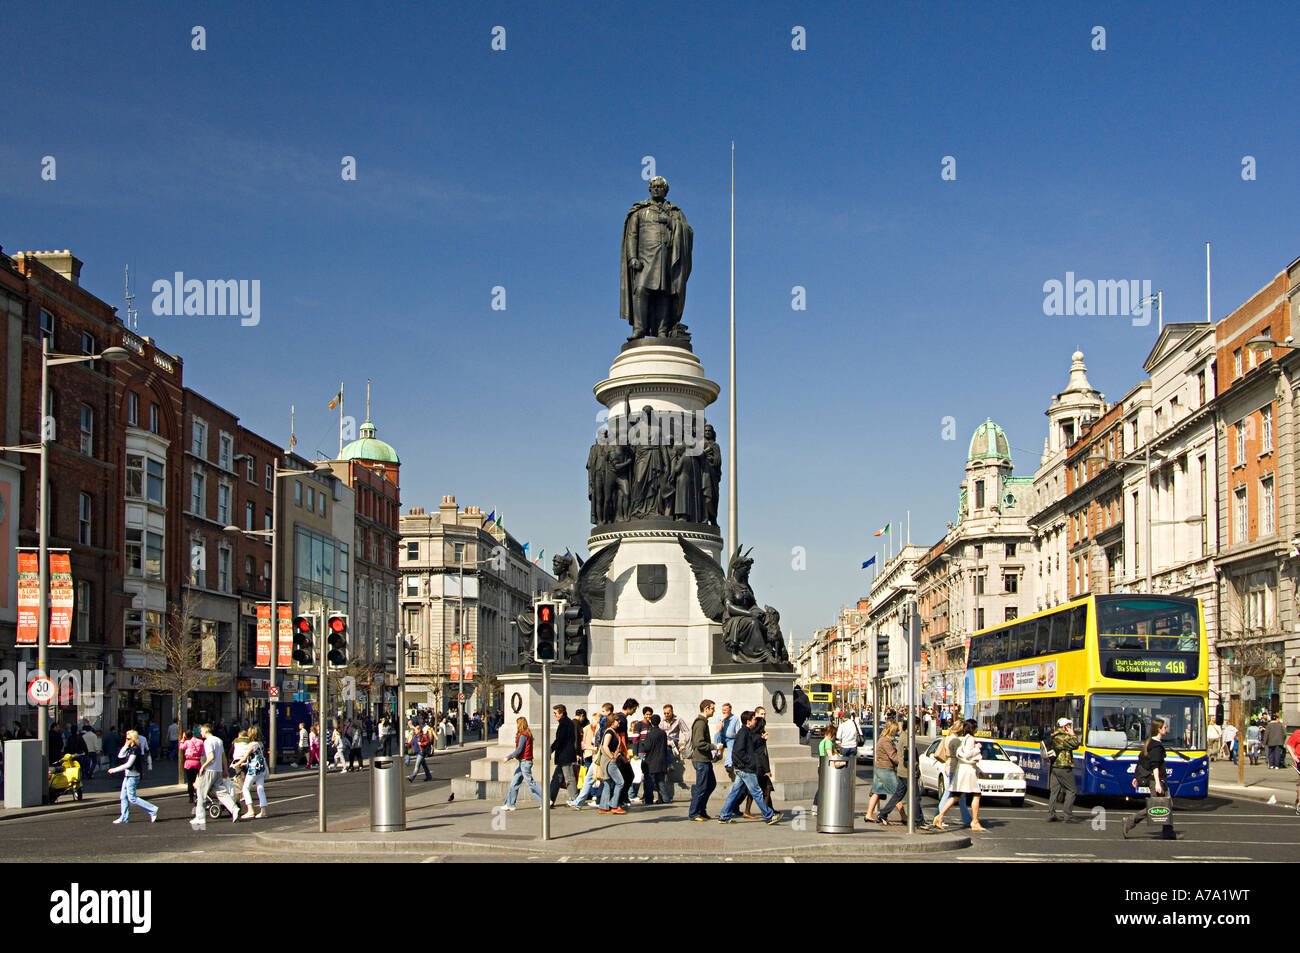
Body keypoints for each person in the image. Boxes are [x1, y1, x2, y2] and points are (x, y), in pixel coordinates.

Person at [717, 711, 781, 824]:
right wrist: (750, 762)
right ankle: (769, 815)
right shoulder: (743, 733)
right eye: (753, 719)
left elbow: (750, 747)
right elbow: (739, 751)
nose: (755, 721)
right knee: (757, 792)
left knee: (735, 792)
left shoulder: (746, 732)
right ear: (748, 722)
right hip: (746, 768)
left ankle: (724, 815)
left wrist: (762, 740)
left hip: (743, 768)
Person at [1123, 717, 1178, 839]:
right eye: (1164, 727)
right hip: (1156, 780)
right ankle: (1130, 820)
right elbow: (1155, 765)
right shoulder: (1156, 746)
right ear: (1158, 729)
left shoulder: (1149, 743)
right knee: (1156, 806)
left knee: (1166, 804)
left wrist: (1136, 777)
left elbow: (1141, 761)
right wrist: (1158, 783)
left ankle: (1168, 832)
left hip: (1155, 779)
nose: (1166, 729)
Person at [934, 720, 985, 831]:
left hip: (963, 770)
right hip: (967, 772)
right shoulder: (970, 739)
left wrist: (978, 769)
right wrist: (977, 748)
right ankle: (974, 822)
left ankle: (939, 816)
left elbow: (963, 755)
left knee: (956, 795)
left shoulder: (965, 738)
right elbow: (967, 755)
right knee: (976, 794)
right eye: (976, 727)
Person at [192, 724, 239, 828]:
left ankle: (200, 818)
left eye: (201, 731)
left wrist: (202, 767)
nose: (200, 733)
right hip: (218, 770)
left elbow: (211, 757)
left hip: (209, 770)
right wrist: (225, 770)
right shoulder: (219, 740)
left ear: (205, 730)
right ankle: (234, 808)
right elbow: (223, 757)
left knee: (201, 792)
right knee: (221, 792)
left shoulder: (208, 742)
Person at [108, 729, 159, 824]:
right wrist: (125, 745)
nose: (126, 740)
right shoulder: (130, 748)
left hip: (133, 776)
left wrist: (114, 770)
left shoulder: (135, 750)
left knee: (132, 798)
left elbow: (128, 764)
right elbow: (120, 756)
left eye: (128, 739)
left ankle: (152, 809)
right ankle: (124, 817)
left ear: (133, 739)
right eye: (126, 738)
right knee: (123, 797)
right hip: (127, 776)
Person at [501, 717, 545, 811]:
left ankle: (544, 801)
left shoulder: (523, 735)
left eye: (517, 724)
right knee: (514, 783)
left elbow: (519, 750)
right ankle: (510, 804)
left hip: (525, 762)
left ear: (520, 724)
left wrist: (508, 757)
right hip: (523, 762)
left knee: (530, 783)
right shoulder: (527, 734)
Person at [1046, 717, 1082, 823]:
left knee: (1054, 791)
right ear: (1065, 726)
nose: (1070, 727)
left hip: (1054, 767)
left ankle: (1051, 814)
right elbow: (1076, 744)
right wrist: (1073, 734)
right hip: (1063, 767)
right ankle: (1067, 815)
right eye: (1069, 725)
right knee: (1072, 790)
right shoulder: (1063, 737)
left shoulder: (1054, 735)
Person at [739, 714, 775, 818]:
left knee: (753, 789)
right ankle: (766, 812)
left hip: (751, 765)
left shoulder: (750, 735)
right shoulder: (760, 738)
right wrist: (767, 770)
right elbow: (762, 755)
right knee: (765, 788)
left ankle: (748, 810)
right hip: (759, 766)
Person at [864, 721, 901, 824]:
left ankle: (868, 814)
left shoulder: (882, 739)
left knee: (876, 792)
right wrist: (901, 763)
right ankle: (904, 815)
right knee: (897, 794)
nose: (897, 732)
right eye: (896, 730)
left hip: (880, 768)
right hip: (886, 770)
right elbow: (893, 756)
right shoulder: (886, 741)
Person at [688, 699, 717, 821]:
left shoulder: (703, 722)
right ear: (706, 709)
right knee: (701, 786)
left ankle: (701, 809)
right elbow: (699, 742)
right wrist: (714, 746)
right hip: (701, 759)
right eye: (712, 708)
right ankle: (694, 812)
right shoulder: (700, 723)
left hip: (704, 759)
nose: (714, 710)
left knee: (711, 784)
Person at [234, 726, 269, 819]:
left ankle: (250, 811)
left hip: (254, 770)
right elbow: (255, 756)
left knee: (245, 788)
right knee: (260, 788)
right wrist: (245, 763)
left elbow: (245, 756)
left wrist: (236, 763)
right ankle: (263, 811)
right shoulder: (260, 743)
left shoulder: (252, 745)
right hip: (261, 769)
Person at [596, 714, 628, 814]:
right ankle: (614, 805)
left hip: (611, 760)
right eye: (617, 721)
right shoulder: (609, 732)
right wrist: (612, 757)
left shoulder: (614, 732)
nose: (619, 722)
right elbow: (605, 746)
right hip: (609, 762)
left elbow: (616, 749)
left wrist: (621, 757)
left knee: (607, 783)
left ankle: (603, 807)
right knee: (620, 782)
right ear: (612, 722)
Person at [548, 705, 577, 807]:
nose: (554, 715)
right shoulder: (567, 722)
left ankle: (574, 799)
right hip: (564, 755)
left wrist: (551, 749)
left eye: (556, 713)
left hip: (565, 755)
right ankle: (550, 799)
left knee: (568, 777)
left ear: (561, 713)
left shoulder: (564, 723)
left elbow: (560, 739)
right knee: (556, 777)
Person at [637, 713, 669, 805]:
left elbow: (647, 747)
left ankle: (648, 799)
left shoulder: (650, 734)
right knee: (661, 782)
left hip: (651, 761)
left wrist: (642, 744)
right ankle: (664, 799)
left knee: (649, 782)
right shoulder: (663, 733)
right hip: (662, 760)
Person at [714, 702, 741, 783]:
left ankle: (728, 765)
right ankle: (716, 754)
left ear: (730, 710)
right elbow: (718, 730)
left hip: (731, 738)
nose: (724, 712)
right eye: (723, 710)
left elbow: (737, 732)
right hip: (722, 737)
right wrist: (722, 720)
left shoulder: (735, 718)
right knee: (716, 735)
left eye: (726, 710)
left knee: (732, 747)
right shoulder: (719, 717)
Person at [180, 730, 204, 803]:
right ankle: (198, 795)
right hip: (197, 762)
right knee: (198, 780)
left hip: (189, 762)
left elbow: (181, 747)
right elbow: (203, 752)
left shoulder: (187, 742)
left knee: (190, 781)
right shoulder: (200, 742)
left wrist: (182, 740)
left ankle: (191, 797)